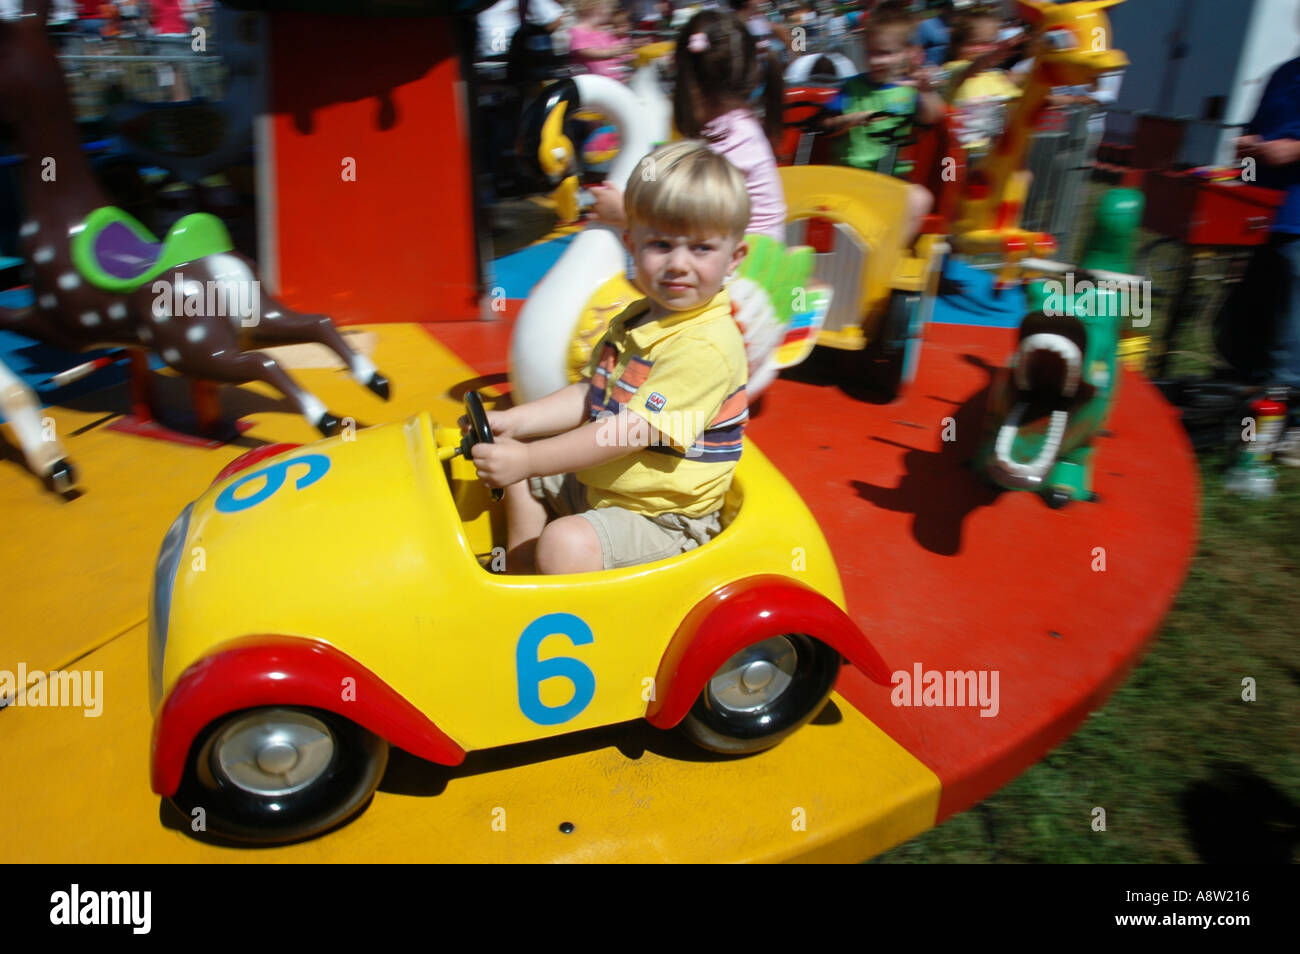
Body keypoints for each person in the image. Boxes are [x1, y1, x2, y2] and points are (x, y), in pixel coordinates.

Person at [470, 141, 751, 574]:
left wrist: (527, 459)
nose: (678, 264)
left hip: (664, 517)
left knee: (564, 541)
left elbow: (626, 433)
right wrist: (518, 423)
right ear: (631, 244)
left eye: (700, 248)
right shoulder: (635, 317)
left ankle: (553, 604)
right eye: (660, 243)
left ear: (734, 258)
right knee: (518, 463)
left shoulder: (705, 346)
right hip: (606, 486)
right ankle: (522, 576)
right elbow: (591, 393)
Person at [589, 7, 788, 242]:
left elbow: (686, 217)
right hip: (730, 250)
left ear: (684, 79)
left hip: (746, 263)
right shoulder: (729, 125)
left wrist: (625, 214)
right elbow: (659, 169)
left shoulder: (732, 137)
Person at [821, 1, 940, 242]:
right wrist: (851, 119)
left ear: (908, 52)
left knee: (921, 198)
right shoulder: (852, 87)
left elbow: (933, 116)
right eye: (871, 52)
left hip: (891, 179)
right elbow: (824, 126)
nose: (876, 61)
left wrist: (927, 91)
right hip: (849, 176)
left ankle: (886, 254)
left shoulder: (909, 92)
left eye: (886, 53)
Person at [1231, 51, 1300, 464]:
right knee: (1253, 323)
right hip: (1262, 217)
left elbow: (1285, 149)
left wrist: (1293, 151)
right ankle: (1251, 420)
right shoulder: (1284, 73)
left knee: (1292, 333)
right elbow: (1251, 141)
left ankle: (1291, 425)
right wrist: (1245, 165)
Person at [940, 4, 1023, 158]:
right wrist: (995, 54)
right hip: (953, 155)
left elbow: (1021, 100)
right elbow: (976, 64)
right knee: (948, 180)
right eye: (975, 43)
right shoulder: (953, 70)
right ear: (957, 45)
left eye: (989, 43)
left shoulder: (997, 78)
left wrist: (1075, 98)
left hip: (989, 155)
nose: (984, 49)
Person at [569, 0, 631, 79]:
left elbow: (612, 47)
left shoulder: (602, 31)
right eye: (608, 8)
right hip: (593, 83)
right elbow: (584, 52)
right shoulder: (579, 31)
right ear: (595, 8)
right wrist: (610, 53)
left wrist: (622, 52)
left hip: (612, 78)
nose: (610, 12)